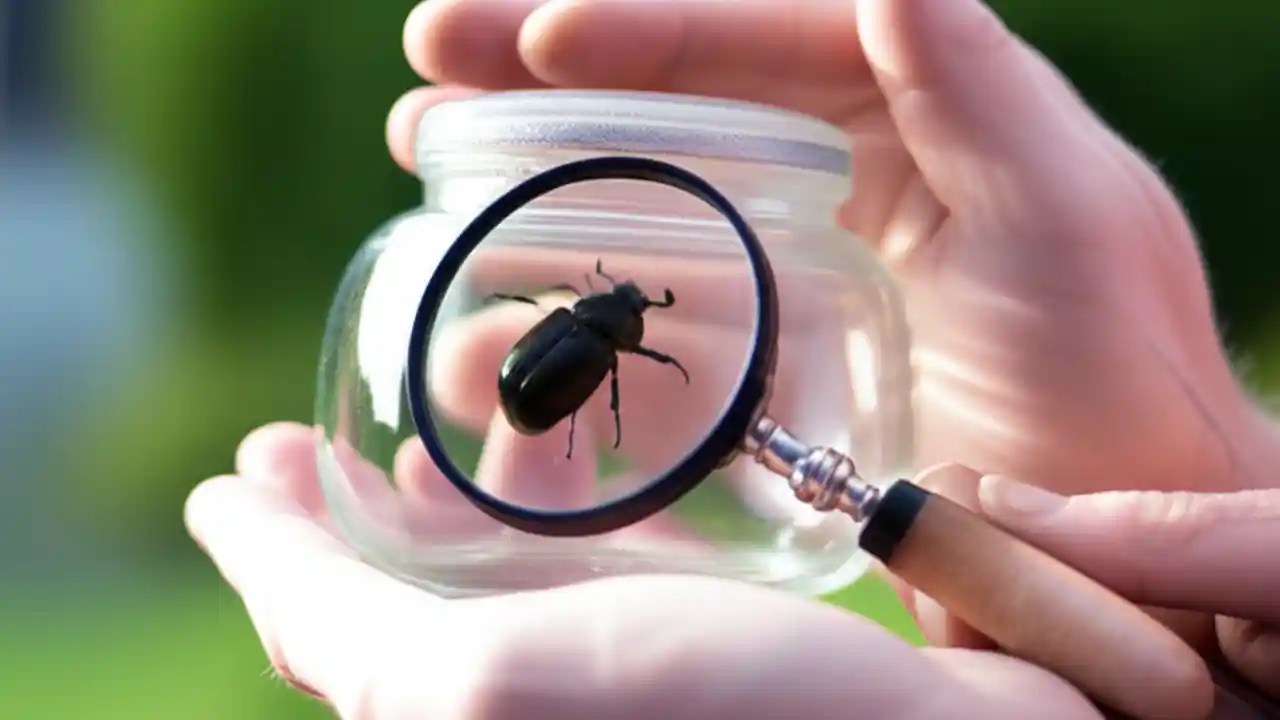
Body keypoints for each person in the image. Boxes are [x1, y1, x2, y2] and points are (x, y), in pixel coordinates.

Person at [184, 0, 1280, 717]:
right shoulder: (605, 333)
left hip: (563, 378)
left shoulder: (596, 326)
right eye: (621, 296)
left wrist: (1213, 477)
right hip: (561, 378)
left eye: (620, 299)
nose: (622, 301)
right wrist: (1221, 472)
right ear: (615, 305)